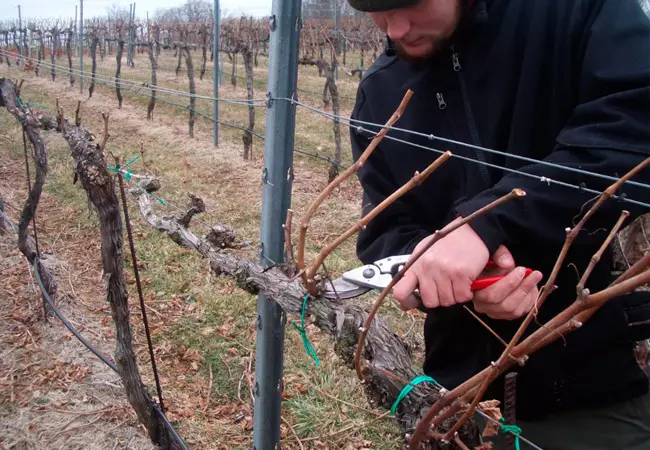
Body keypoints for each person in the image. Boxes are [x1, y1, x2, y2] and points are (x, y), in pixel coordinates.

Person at [346, 0, 650, 448]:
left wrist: (489, 224)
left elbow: (635, 130)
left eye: (412, 2)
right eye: (374, 10)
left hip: (601, 390)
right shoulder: (381, 94)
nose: (395, 28)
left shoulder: (576, 11)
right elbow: (387, 230)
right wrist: (451, 276)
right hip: (459, 397)